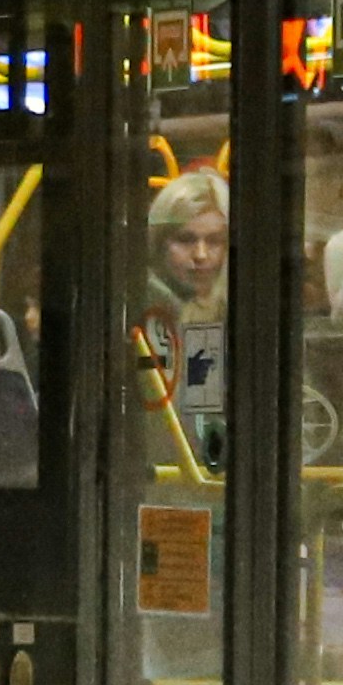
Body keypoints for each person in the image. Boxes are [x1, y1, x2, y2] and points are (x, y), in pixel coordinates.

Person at [142, 167, 233, 470]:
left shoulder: (227, 314)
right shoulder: (144, 313)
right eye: (185, 239)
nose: (201, 255)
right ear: (158, 243)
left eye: (215, 241)